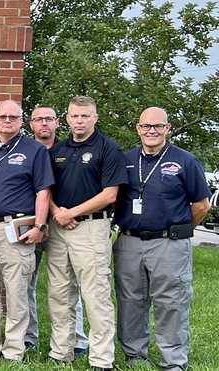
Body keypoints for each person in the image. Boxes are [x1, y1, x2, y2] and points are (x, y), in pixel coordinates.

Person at [114, 107, 211, 371]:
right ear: (138, 128)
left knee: (171, 302)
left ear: (168, 128)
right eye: (146, 126)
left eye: (158, 126)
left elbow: (201, 205)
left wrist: (178, 228)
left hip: (169, 244)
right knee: (130, 300)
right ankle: (135, 355)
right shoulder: (125, 159)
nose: (152, 131)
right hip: (129, 242)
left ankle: (173, 362)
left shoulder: (184, 160)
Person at [0, 99, 52, 361]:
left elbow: (43, 191)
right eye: (3, 116)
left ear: (21, 121)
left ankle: (15, 349)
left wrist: (39, 226)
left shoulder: (33, 150)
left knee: (16, 292)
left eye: (13, 117)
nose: (7, 121)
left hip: (15, 227)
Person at [46, 96, 123, 370]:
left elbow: (110, 194)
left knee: (95, 294)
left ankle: (101, 358)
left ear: (95, 118)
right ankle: (60, 351)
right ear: (66, 119)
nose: (79, 121)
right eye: (74, 116)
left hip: (91, 228)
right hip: (58, 227)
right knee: (59, 292)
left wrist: (72, 212)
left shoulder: (108, 148)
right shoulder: (57, 150)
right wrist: (57, 213)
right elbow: (46, 189)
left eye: (85, 116)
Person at [26, 104, 88, 355]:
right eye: (38, 119)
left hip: (65, 225)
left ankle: (77, 339)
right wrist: (53, 212)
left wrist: (65, 215)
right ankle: (29, 337)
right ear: (30, 124)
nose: (44, 124)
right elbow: (38, 189)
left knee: (69, 282)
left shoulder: (68, 150)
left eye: (49, 119)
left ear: (57, 123)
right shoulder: (25, 150)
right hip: (32, 222)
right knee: (26, 282)